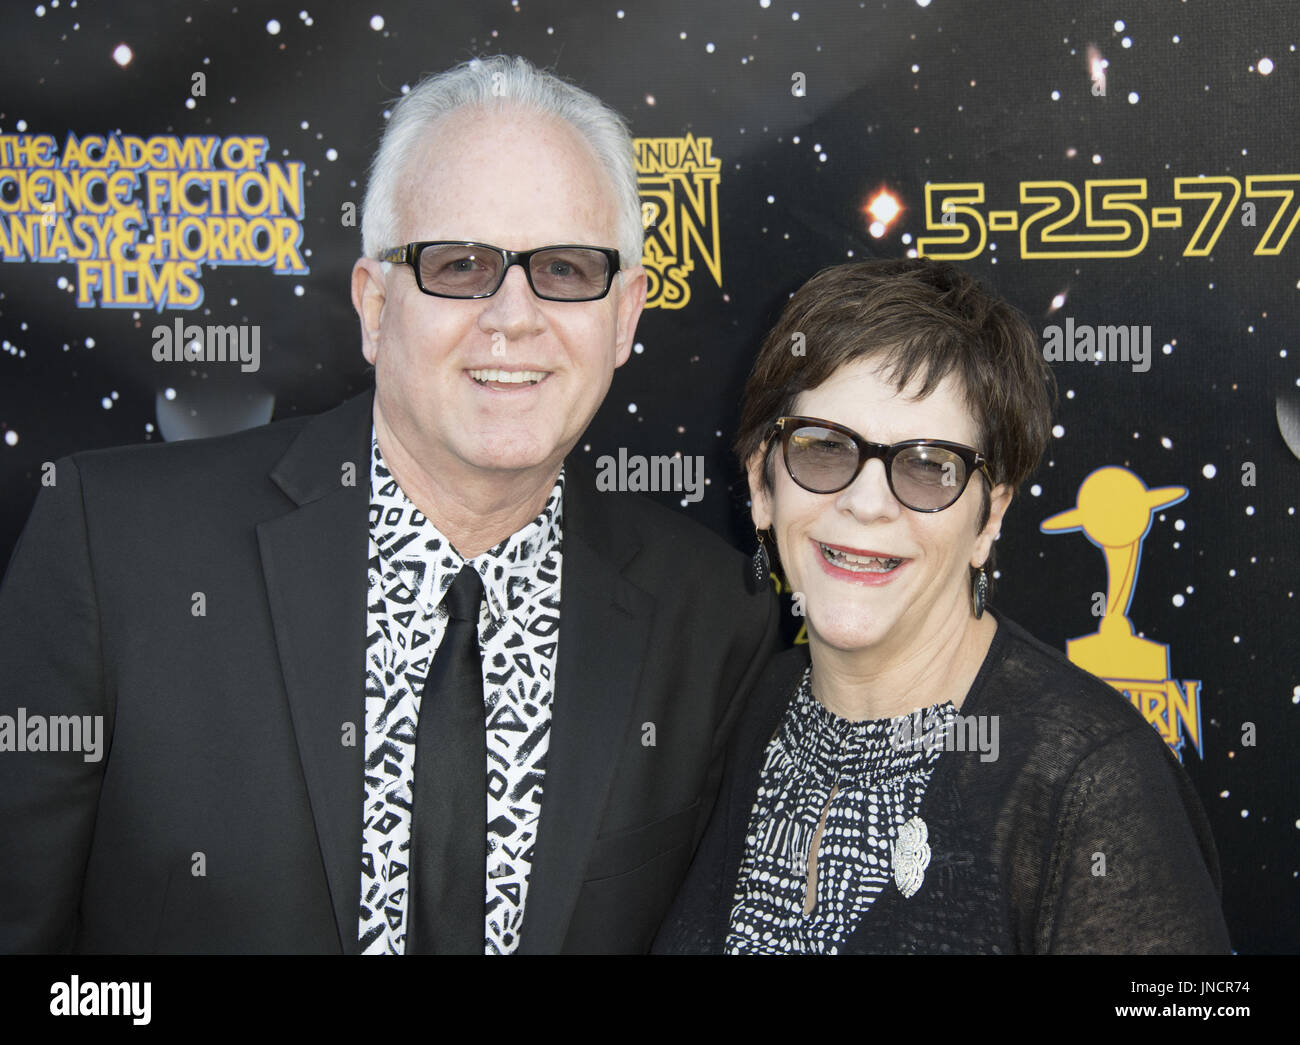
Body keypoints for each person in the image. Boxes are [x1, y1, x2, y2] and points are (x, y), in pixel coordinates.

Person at [0, 55, 778, 955]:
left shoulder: (718, 620)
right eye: (460, 264)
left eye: (565, 268)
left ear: (625, 316)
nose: (513, 316)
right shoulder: (116, 546)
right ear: (375, 304)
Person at [654, 259, 1231, 954]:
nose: (866, 503)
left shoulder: (1089, 780)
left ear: (989, 518)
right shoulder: (752, 712)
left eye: (928, 465)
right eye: (825, 449)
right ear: (762, 484)